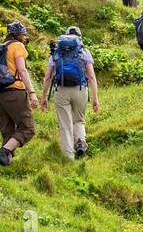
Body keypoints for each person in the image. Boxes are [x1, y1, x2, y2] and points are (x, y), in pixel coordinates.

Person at [40, 25, 100, 159]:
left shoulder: (57, 52)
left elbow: (48, 77)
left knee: (65, 123)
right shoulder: (84, 51)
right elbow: (91, 77)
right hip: (80, 89)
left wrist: (44, 97)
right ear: (79, 38)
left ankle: (69, 157)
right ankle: (80, 141)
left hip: (61, 90)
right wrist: (95, 98)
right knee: (79, 120)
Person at [0, 21, 38, 166]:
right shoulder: (17, 46)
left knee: (8, 131)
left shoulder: (0, 48)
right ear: (18, 35)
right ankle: (3, 152)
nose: (25, 38)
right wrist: (32, 93)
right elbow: (22, 70)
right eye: (24, 35)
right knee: (28, 128)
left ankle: (5, 163)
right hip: (15, 92)